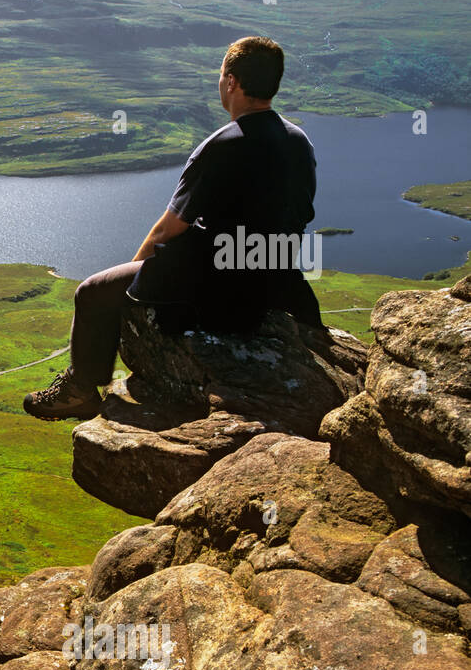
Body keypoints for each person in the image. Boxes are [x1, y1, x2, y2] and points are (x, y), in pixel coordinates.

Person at [24, 36, 325, 421]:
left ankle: (80, 390)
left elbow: (169, 230)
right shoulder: (300, 142)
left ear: (231, 82)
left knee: (92, 292)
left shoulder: (221, 145)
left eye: (221, 77)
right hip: (277, 283)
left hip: (215, 292)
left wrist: (132, 280)